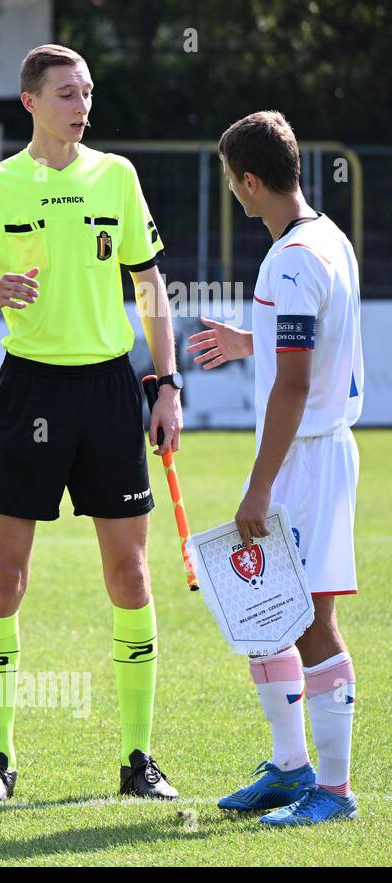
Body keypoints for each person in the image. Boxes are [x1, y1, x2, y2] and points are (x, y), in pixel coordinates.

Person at [0, 45, 183, 802]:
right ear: (30, 103)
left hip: (110, 390)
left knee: (131, 574)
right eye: (66, 93)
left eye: (87, 92)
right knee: (6, 576)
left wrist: (165, 385)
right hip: (30, 393)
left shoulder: (118, 176)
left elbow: (148, 285)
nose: (81, 105)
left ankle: (138, 760)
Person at [190, 111, 362, 826]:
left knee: (308, 620)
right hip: (312, 453)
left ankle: (335, 790)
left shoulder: (291, 259)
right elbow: (304, 351)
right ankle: (292, 770)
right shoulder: (326, 238)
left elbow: (295, 384)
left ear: (250, 181)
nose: (235, 192)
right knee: (267, 618)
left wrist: (258, 485)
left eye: (234, 182)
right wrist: (249, 337)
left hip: (307, 461)